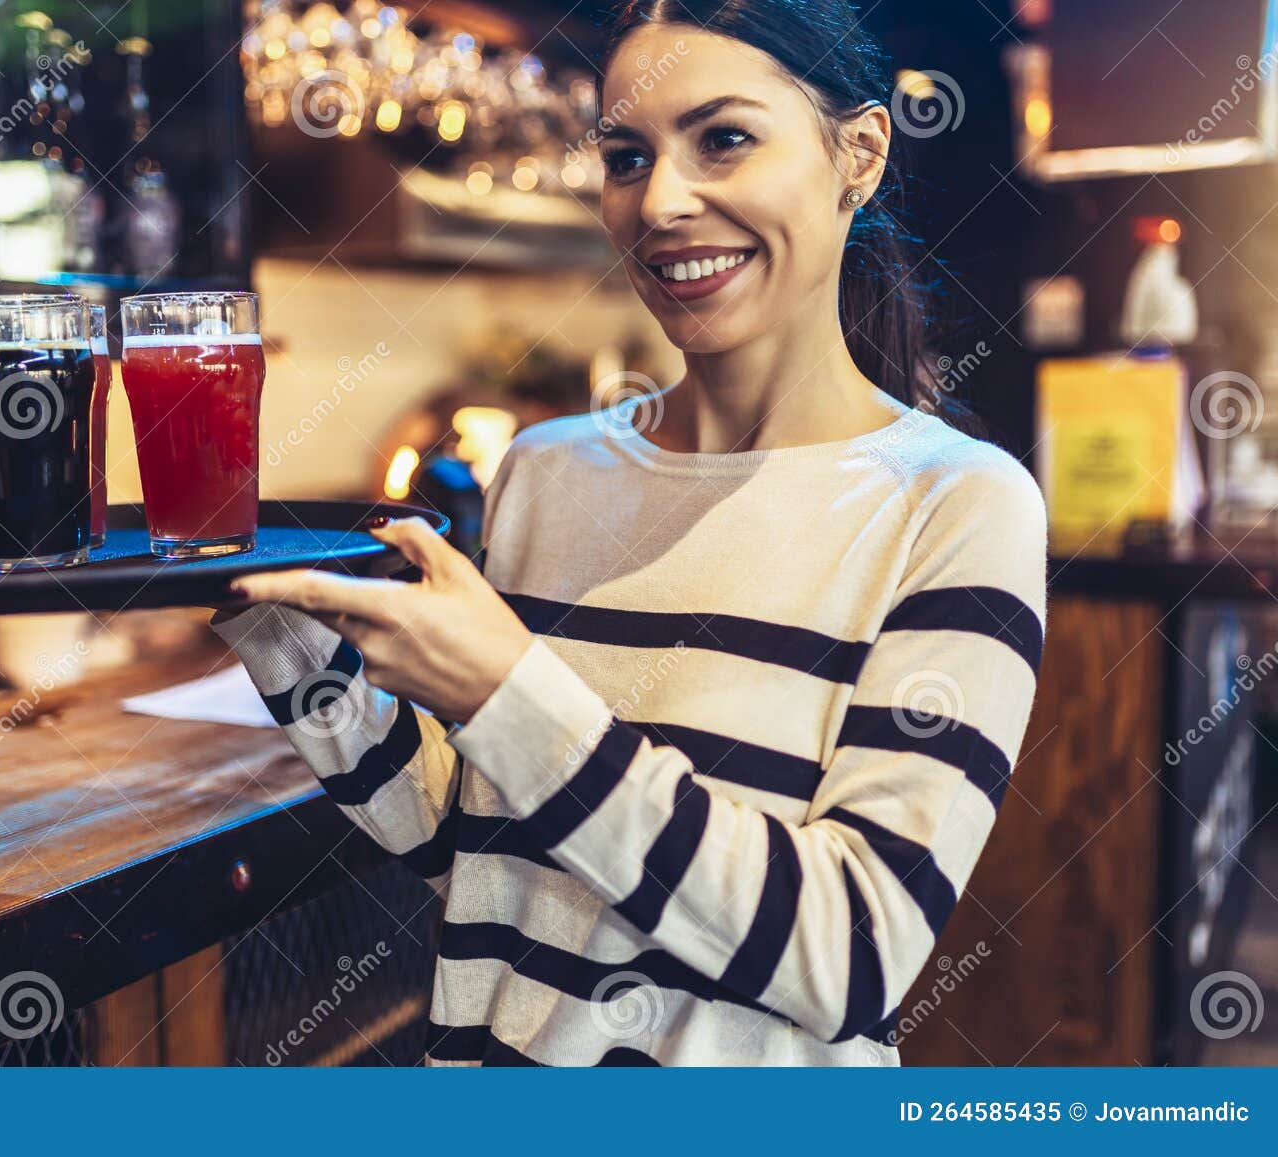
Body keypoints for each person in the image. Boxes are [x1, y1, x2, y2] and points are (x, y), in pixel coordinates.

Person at [214, 0, 1047, 1066]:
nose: (660, 200)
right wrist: (261, 601)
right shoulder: (549, 470)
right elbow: (478, 846)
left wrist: (504, 688)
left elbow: (850, 954)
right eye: (624, 155)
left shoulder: (956, 505)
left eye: (724, 139)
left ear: (859, 153)